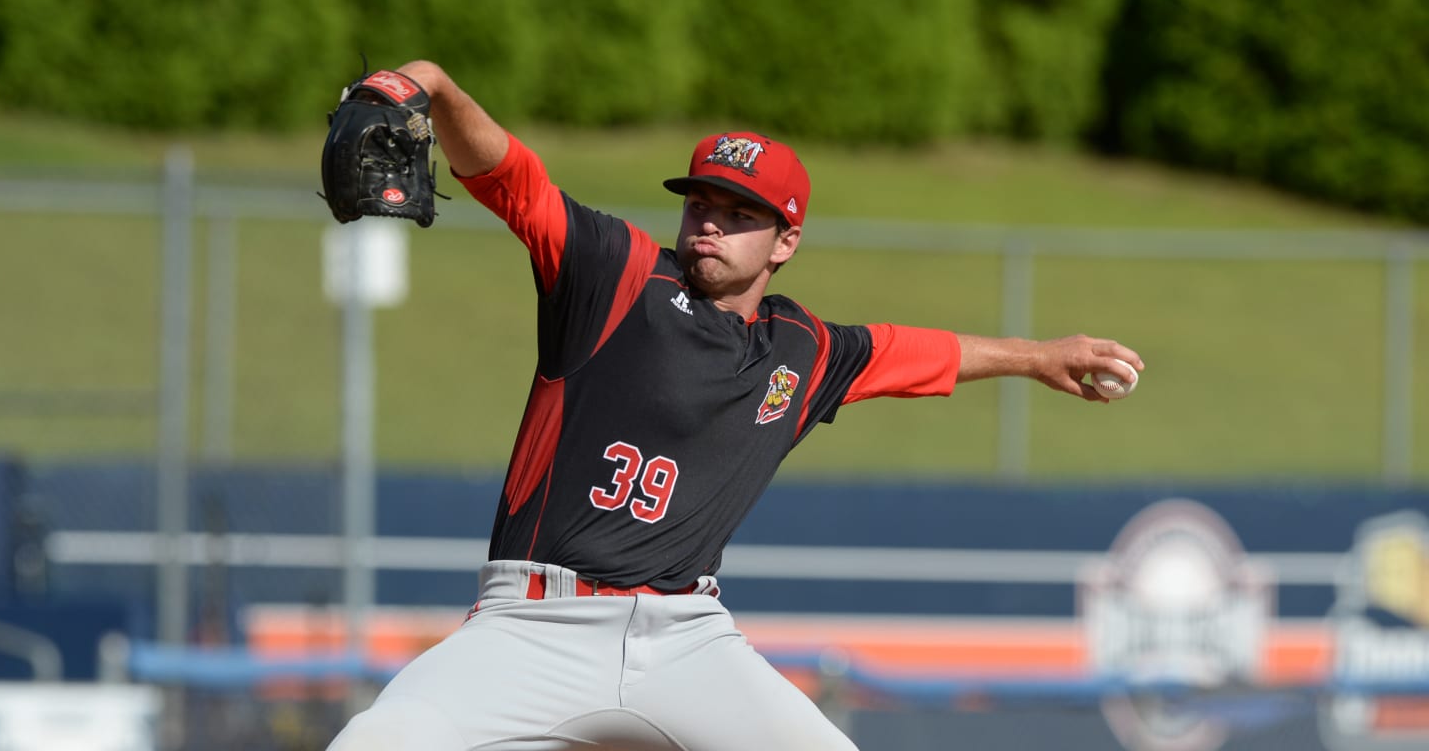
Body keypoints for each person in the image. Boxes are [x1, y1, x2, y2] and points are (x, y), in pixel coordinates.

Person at [326, 60, 1145, 751]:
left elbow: (915, 350)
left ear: (786, 241)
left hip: (687, 636)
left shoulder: (802, 351)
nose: (710, 222)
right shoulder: (613, 277)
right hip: (533, 623)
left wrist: (1039, 357)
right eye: (701, 203)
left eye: (739, 212)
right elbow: (512, 178)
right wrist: (435, 83)